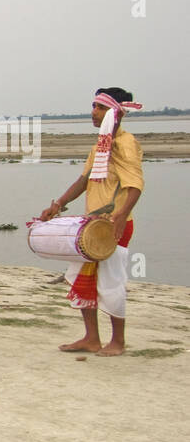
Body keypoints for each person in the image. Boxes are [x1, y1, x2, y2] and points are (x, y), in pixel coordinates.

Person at [40, 88, 144, 355]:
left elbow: (135, 185)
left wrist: (120, 215)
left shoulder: (125, 143)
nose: (93, 112)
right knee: (80, 279)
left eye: (99, 107)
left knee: (111, 283)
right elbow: (84, 180)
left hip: (113, 225)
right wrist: (58, 205)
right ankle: (91, 338)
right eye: (94, 106)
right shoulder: (101, 143)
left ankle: (118, 342)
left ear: (114, 112)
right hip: (91, 225)